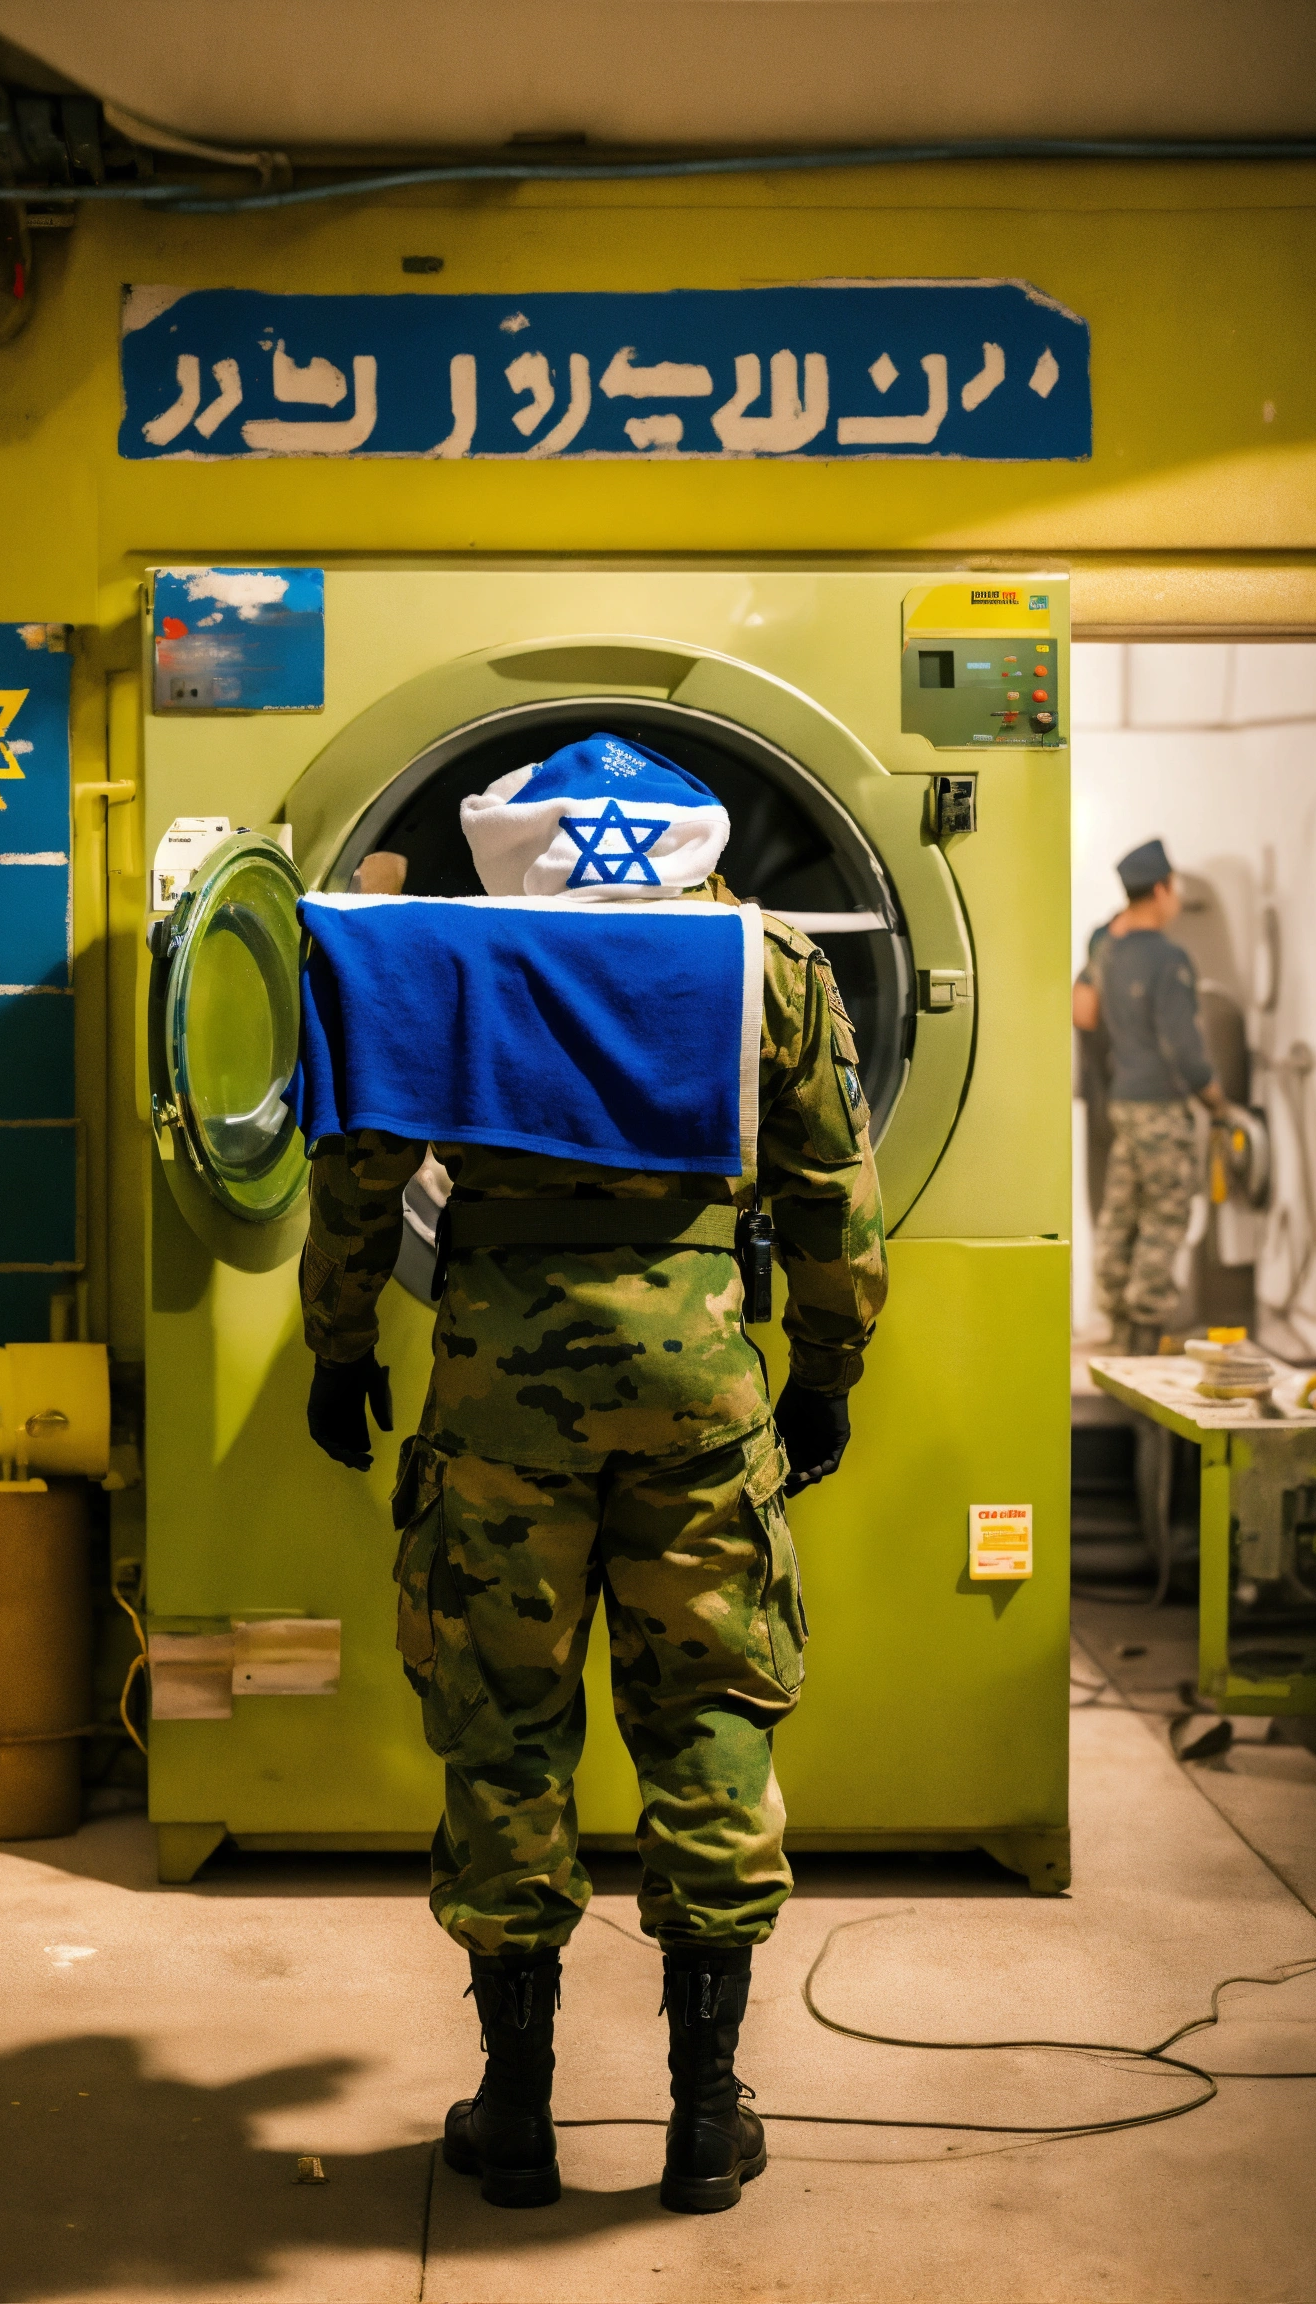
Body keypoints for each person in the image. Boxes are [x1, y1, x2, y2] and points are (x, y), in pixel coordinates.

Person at [295, 735, 886, 2216]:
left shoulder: (441, 959)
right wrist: (825, 1370)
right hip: (699, 1397)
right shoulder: (766, 966)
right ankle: (703, 2122)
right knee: (710, 1721)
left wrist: (339, 1343)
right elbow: (831, 1195)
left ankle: (515, 2120)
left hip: (499, 1396)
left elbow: (358, 1169)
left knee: (503, 1731)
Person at [1073, 837, 1227, 1353]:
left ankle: (1118, 1328)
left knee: (1120, 1212)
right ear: (1161, 890)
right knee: (1165, 1217)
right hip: (1161, 1104)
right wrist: (1214, 1098)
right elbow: (1185, 1047)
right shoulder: (1169, 958)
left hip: (1121, 1101)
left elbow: (1085, 1014)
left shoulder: (1108, 954)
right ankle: (1144, 1334)